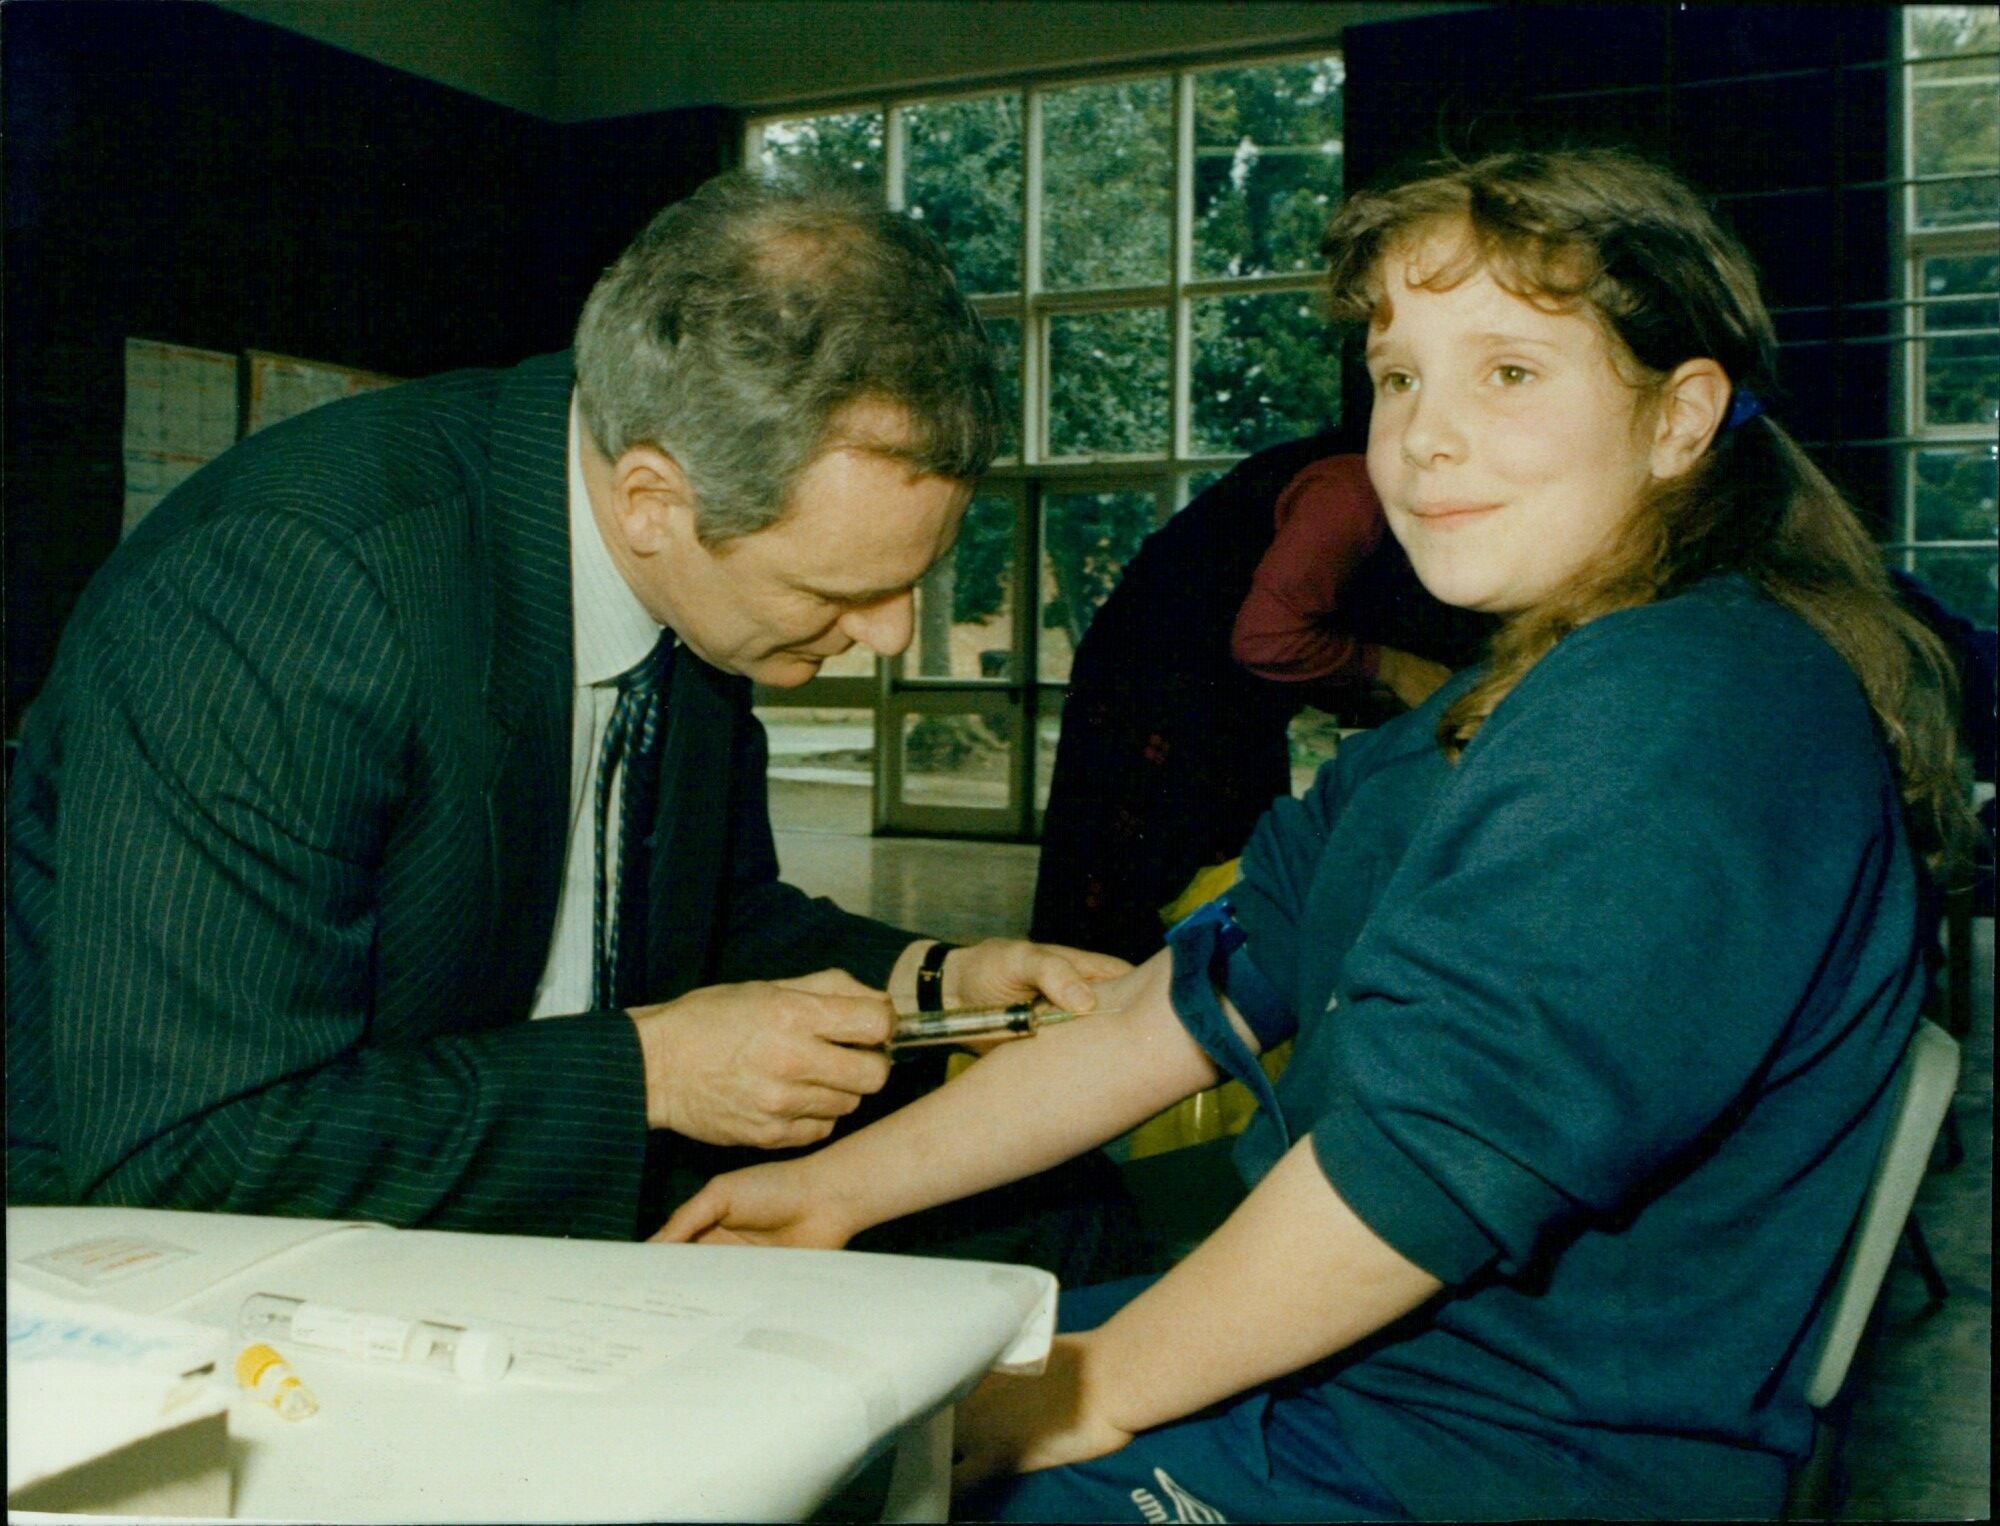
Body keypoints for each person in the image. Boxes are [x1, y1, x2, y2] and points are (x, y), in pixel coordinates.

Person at [660, 147, 1977, 1519]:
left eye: (1509, 372)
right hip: (1358, 1390)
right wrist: (831, 1192)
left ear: (1681, 416)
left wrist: (1080, 1389)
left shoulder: (1689, 705)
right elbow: (1163, 1009)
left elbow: (1420, 1169)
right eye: (1401, 375)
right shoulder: (1485, 711)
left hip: (1483, 1460)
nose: (1425, 434)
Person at [6, 170, 1148, 1280]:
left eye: (914, 578)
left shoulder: (697, 568)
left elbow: (712, 914)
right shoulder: (292, 590)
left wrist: (936, 980)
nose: (893, 634)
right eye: (835, 591)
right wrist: (652, 1072)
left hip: (510, 1136)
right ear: (653, 501)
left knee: (1065, 1220)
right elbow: (191, 1152)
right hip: (183, 1229)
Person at [1030, 440, 1493, 965]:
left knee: (1237, 887)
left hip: (1228, 714)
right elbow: (1266, 640)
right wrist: (1394, 668)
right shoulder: (1350, 492)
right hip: (1152, 700)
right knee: (1123, 898)